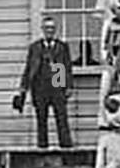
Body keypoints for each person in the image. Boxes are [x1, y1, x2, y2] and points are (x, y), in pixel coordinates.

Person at [13, 15, 74, 148]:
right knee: (41, 119)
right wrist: (23, 88)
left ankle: (66, 146)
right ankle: (42, 146)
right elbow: (29, 68)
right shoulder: (35, 47)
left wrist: (69, 86)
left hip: (57, 84)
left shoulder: (62, 47)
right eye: (47, 28)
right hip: (40, 87)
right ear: (42, 29)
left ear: (55, 30)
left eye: (52, 28)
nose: (49, 31)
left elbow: (67, 67)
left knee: (61, 118)